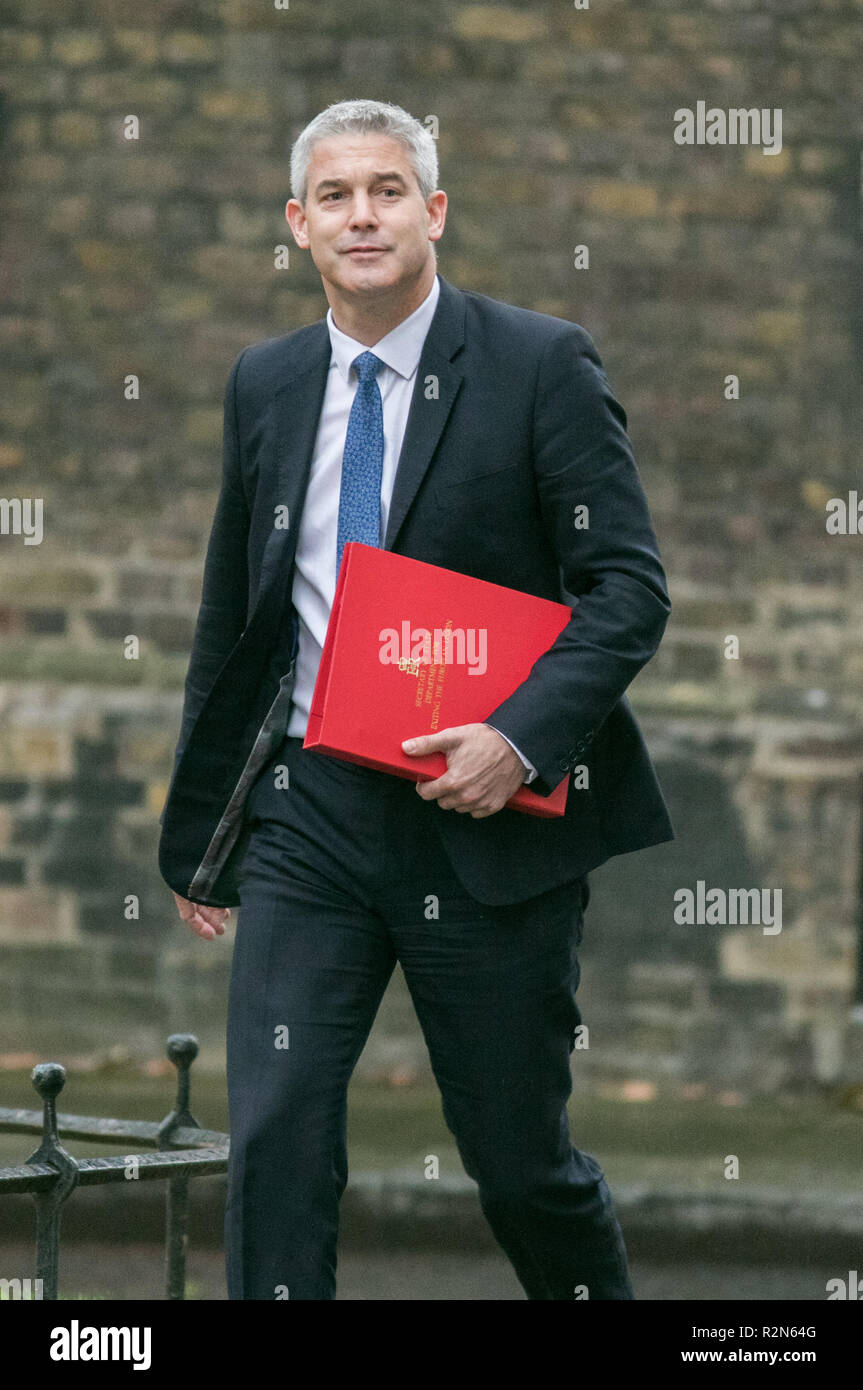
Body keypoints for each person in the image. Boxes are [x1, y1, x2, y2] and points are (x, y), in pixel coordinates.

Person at [158, 98, 675, 1300]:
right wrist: (203, 834)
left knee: (517, 1164)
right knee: (277, 1129)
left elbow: (627, 591)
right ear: (297, 225)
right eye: (334, 196)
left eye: (387, 190)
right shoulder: (267, 382)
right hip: (309, 815)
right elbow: (235, 621)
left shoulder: (540, 363)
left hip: (481, 820)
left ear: (434, 212)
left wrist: (519, 739)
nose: (362, 215)